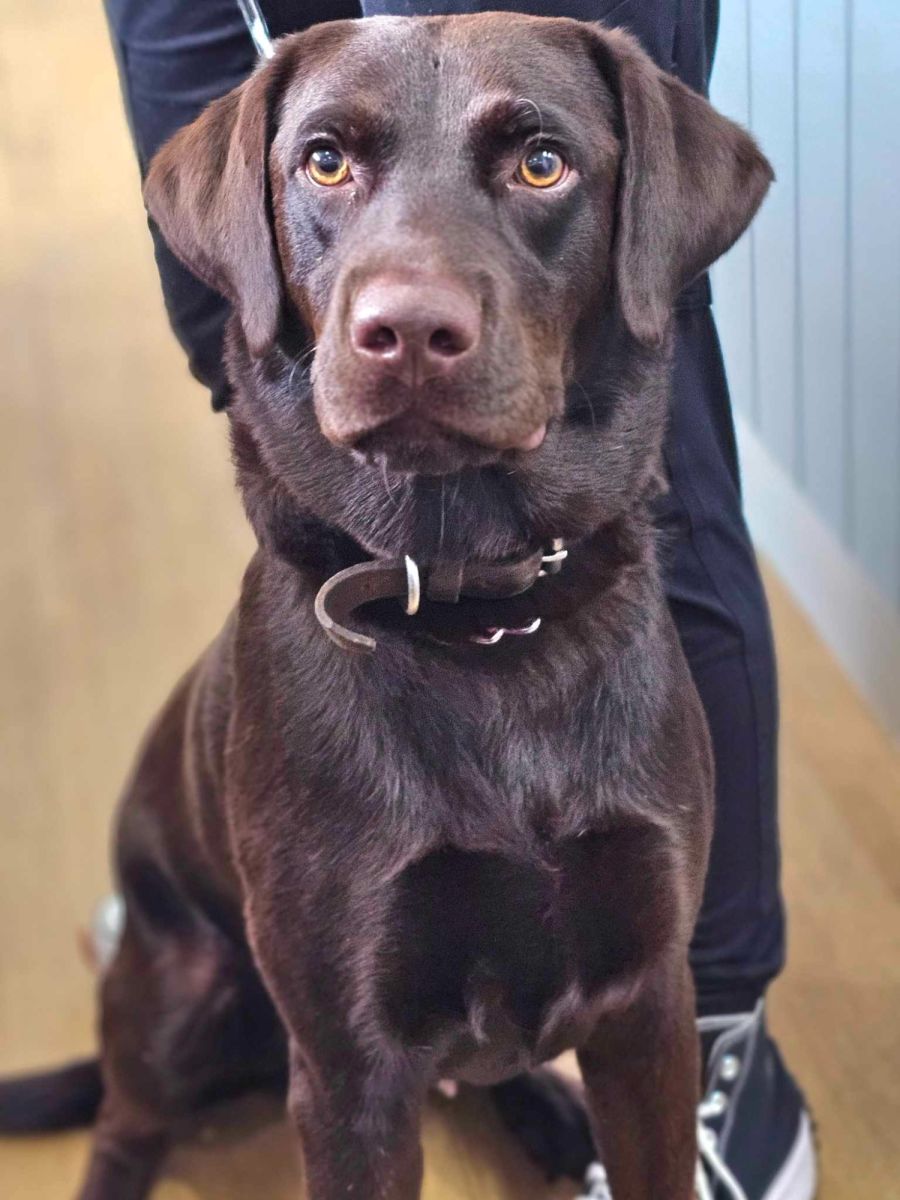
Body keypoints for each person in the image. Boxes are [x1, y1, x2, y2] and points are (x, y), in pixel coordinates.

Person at [102, 2, 817, 1197]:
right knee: (341, 1060)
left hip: (587, 604)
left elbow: (647, 1023)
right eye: (329, 161)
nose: (407, 301)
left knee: (649, 987)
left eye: (539, 162)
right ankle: (126, 1143)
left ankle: (728, 1069)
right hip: (318, 717)